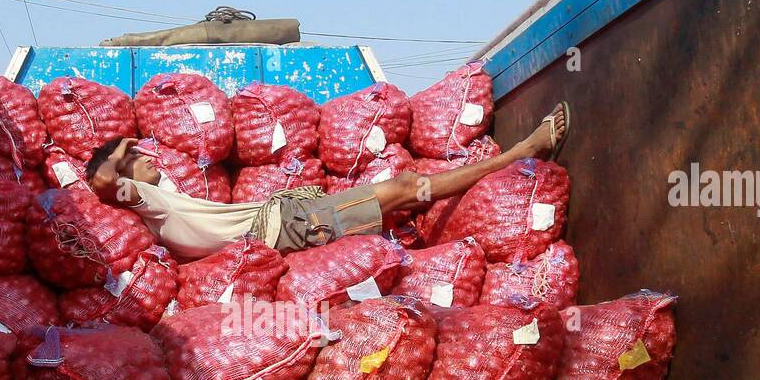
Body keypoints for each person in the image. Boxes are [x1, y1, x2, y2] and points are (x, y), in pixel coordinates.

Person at [85, 102, 570, 260]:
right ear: (126, 167)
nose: (154, 162)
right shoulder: (144, 198)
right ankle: (522, 152)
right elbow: (100, 182)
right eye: (141, 158)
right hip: (288, 225)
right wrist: (121, 147)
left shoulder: (156, 199)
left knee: (399, 199)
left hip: (288, 216)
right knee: (403, 187)